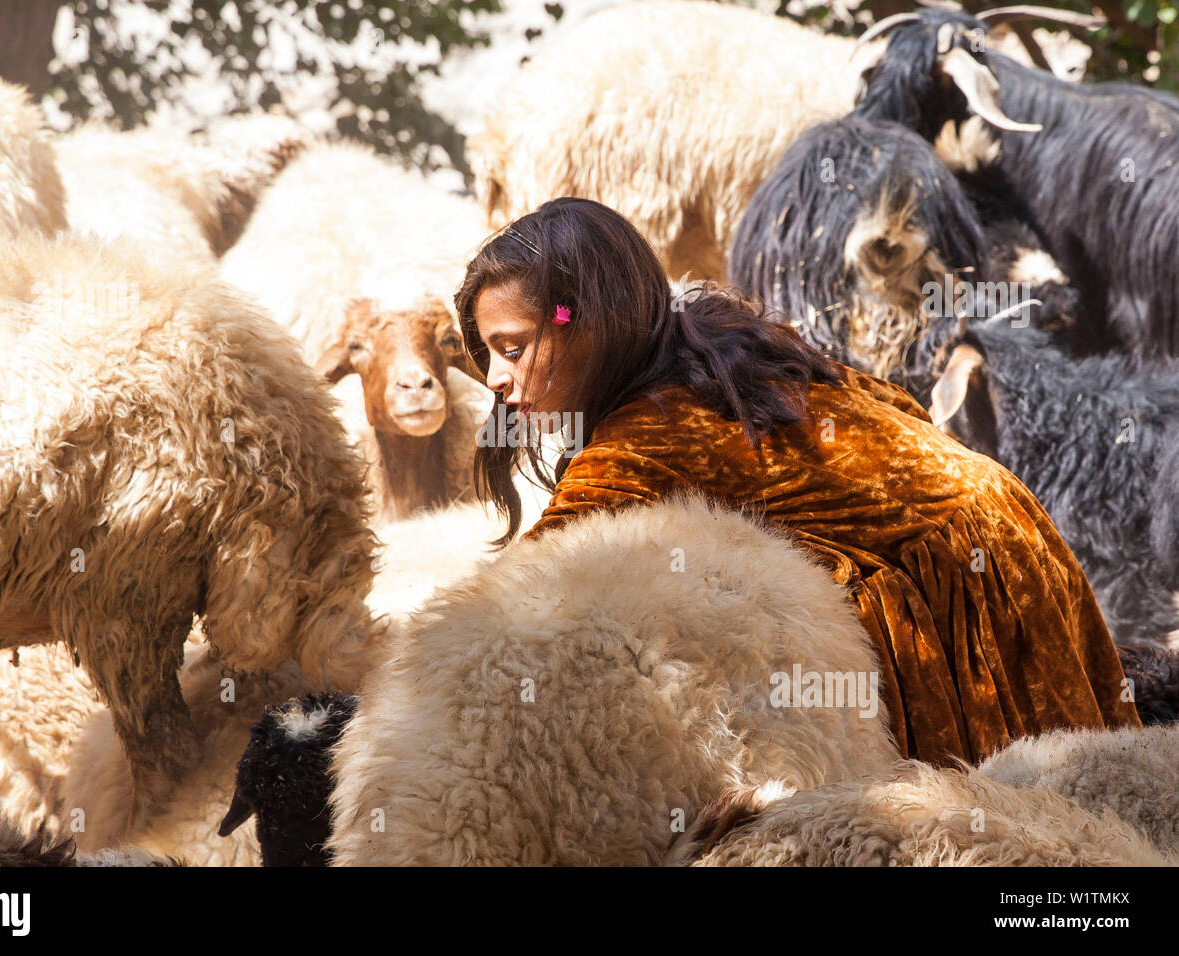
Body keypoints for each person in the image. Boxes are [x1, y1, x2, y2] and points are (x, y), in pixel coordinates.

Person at [453, 196, 1140, 766]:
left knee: (989, 815)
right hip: (1005, 524)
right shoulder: (714, 344)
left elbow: (515, 601)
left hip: (955, 580)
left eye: (513, 347)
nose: (495, 377)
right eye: (488, 351)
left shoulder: (647, 436)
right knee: (1080, 799)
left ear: (588, 324)